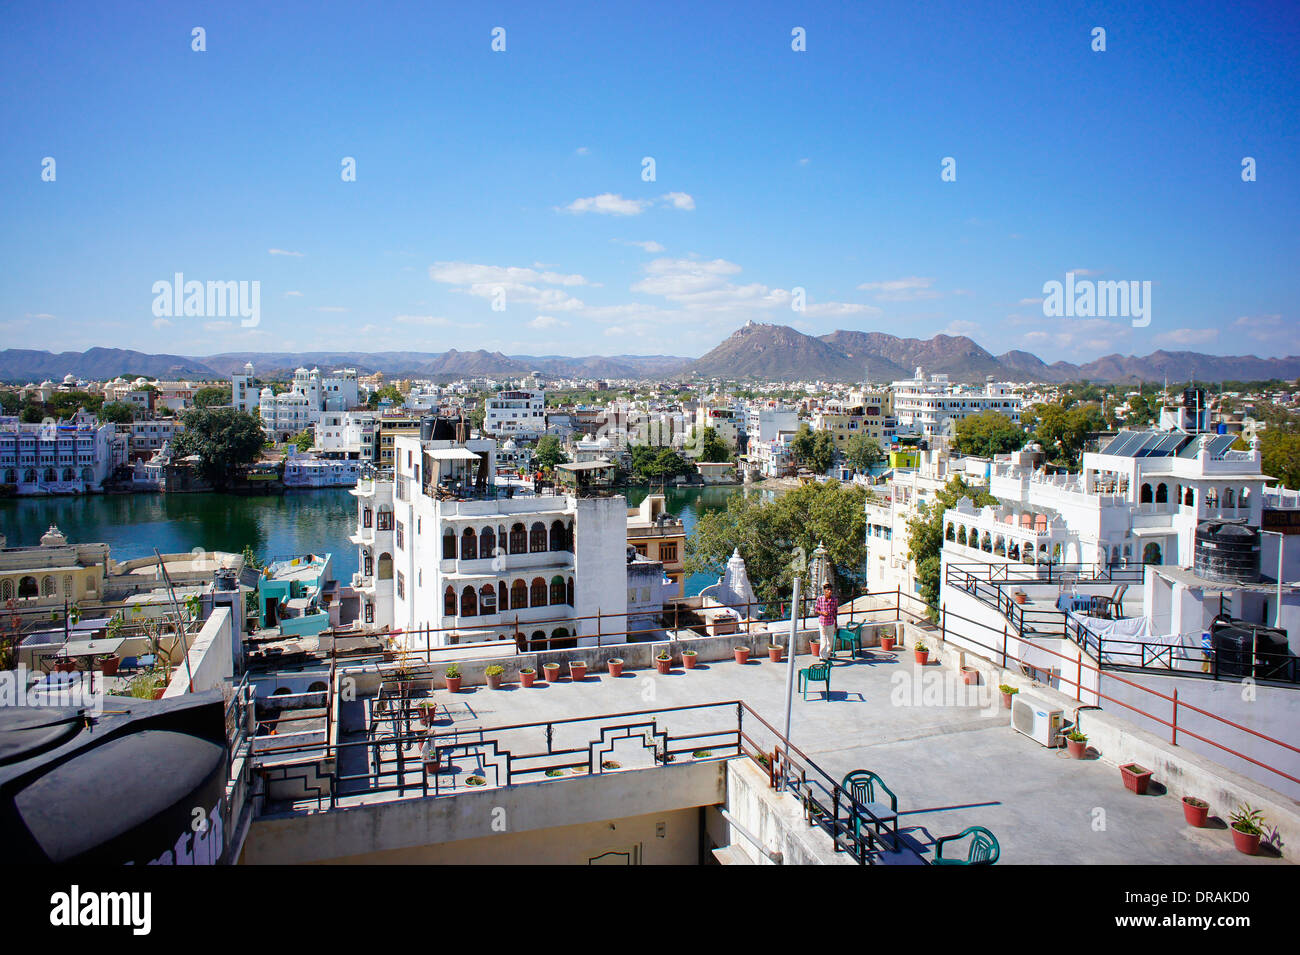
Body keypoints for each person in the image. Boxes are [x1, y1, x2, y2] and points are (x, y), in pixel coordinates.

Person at [815, 581, 838, 661]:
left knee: (830, 641)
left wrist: (836, 623)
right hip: (822, 622)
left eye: (831, 590)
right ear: (824, 591)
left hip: (831, 622)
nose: (830, 591)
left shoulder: (834, 600)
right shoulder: (820, 599)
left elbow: (835, 612)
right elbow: (816, 610)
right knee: (823, 640)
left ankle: (827, 655)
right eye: (828, 590)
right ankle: (822, 657)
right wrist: (822, 612)